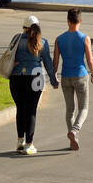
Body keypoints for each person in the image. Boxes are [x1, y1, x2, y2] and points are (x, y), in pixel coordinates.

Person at [8, 15, 58, 155]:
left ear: (24, 27)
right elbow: (48, 63)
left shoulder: (16, 39)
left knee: (20, 108)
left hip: (16, 78)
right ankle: (29, 145)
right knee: (31, 110)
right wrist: (54, 81)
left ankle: (20, 141)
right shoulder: (43, 42)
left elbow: (8, 55)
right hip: (35, 79)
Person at [53, 8, 93, 151]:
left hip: (65, 76)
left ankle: (73, 141)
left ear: (67, 21)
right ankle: (75, 131)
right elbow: (90, 58)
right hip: (80, 76)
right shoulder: (85, 38)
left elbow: (55, 61)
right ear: (80, 20)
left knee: (69, 110)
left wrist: (54, 76)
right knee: (84, 108)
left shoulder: (59, 39)